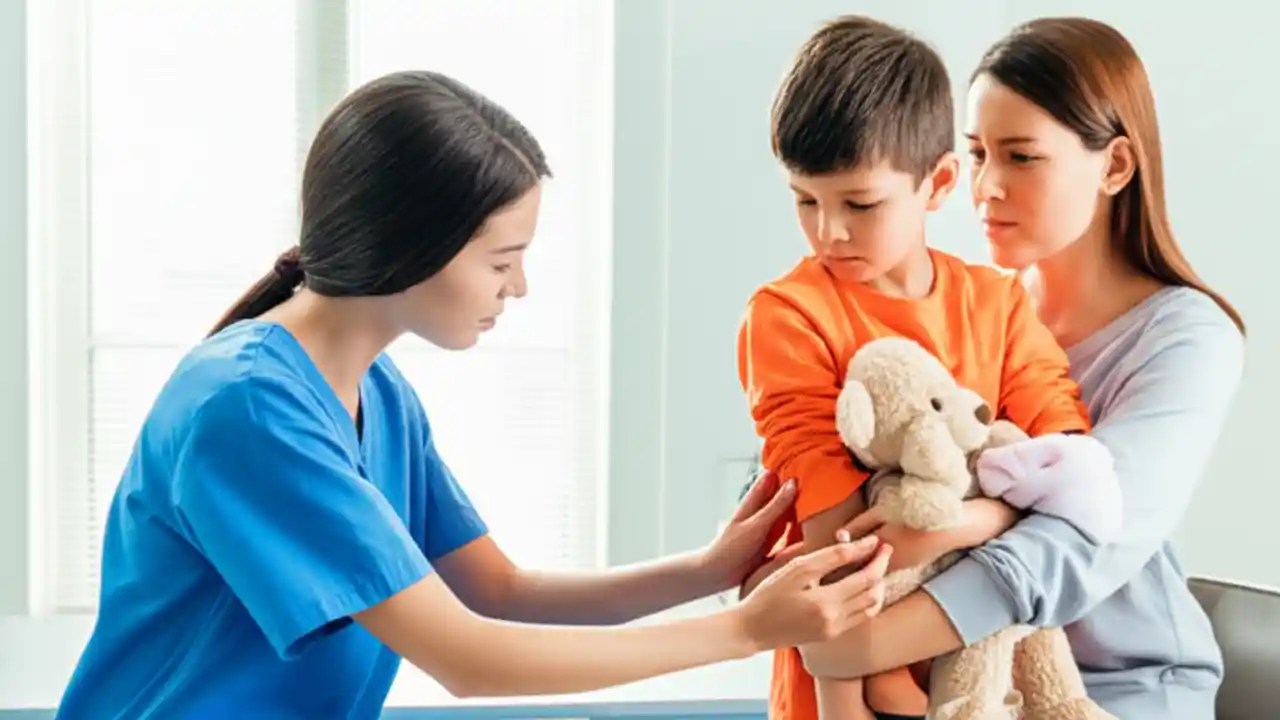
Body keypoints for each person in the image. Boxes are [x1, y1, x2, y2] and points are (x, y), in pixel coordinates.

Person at [54, 70, 896, 719]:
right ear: (409, 243)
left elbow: (498, 591)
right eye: (502, 260)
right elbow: (468, 657)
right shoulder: (247, 409)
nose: (519, 286)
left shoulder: (377, 396)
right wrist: (741, 634)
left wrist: (707, 571)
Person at [787, 16, 1247, 720]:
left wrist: (858, 647)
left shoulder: (1189, 339)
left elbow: (1080, 538)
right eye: (975, 154)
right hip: (957, 687)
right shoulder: (965, 308)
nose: (987, 186)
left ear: (1115, 166)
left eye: (1021, 157)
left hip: (1118, 689)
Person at [735, 15, 1108, 720]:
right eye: (804, 200)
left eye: (860, 203)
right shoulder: (788, 317)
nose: (828, 231)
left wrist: (964, 525)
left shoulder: (997, 303)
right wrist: (1001, 513)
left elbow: (1070, 475)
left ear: (938, 182)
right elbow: (844, 540)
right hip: (841, 685)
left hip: (987, 683)